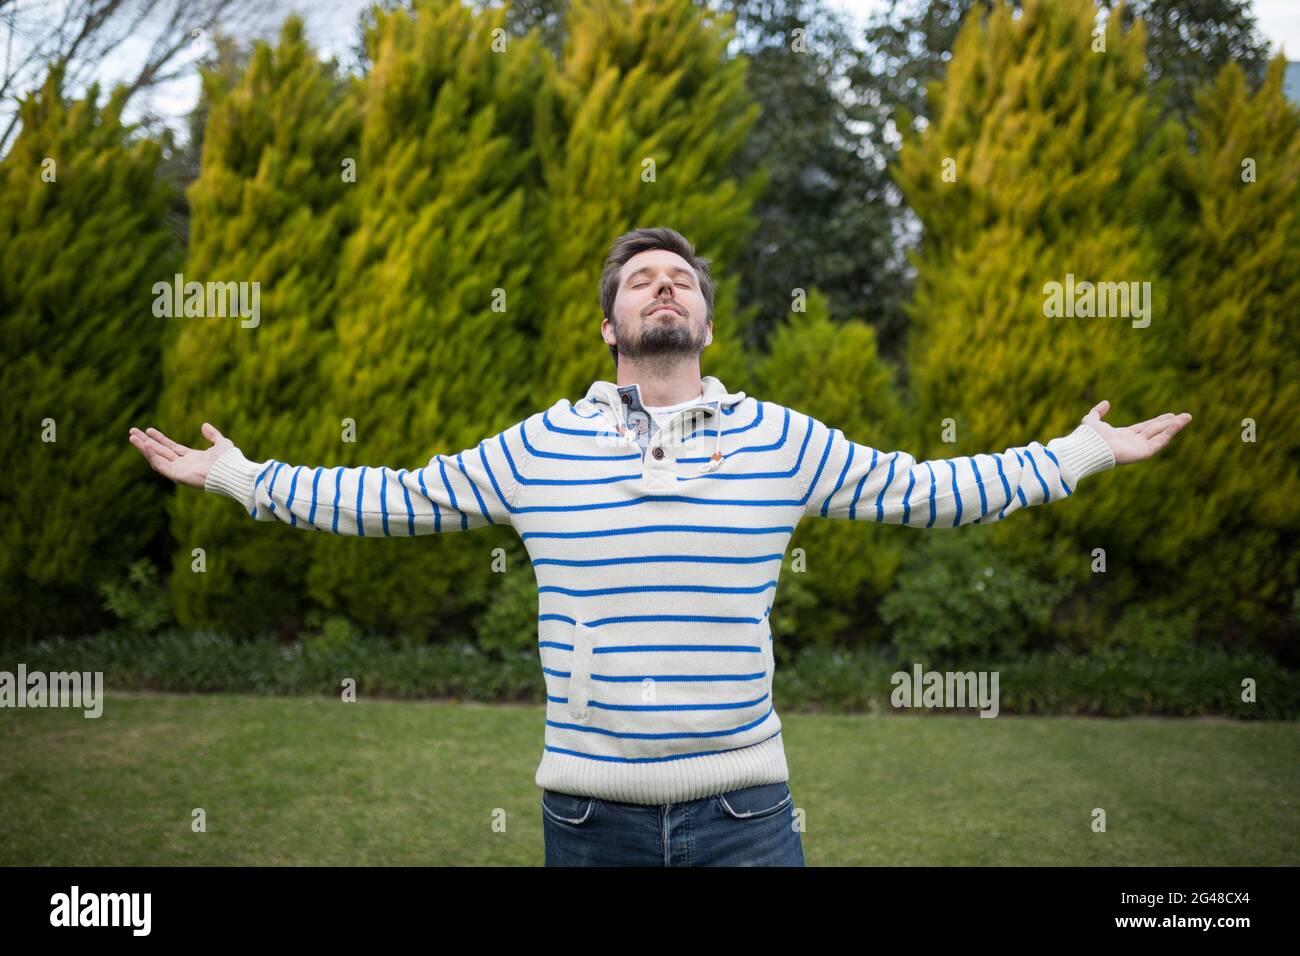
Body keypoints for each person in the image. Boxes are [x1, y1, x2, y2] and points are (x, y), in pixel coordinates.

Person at [128, 226, 1192, 867]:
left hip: (749, 810)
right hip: (587, 813)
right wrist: (239, 475)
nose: (662, 286)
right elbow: (394, 497)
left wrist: (1081, 451)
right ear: (609, 326)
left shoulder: (781, 437)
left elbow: (931, 490)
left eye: (678, 278)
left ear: (708, 325)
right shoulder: (541, 444)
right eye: (640, 279)